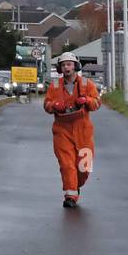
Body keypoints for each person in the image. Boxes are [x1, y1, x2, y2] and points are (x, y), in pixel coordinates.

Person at [42, 52, 99, 208]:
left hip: (84, 131)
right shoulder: (54, 86)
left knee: (84, 167)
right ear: (60, 68)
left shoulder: (87, 84)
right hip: (62, 130)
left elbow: (97, 103)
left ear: (75, 66)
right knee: (67, 164)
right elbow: (46, 105)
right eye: (63, 65)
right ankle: (70, 195)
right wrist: (54, 105)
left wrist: (86, 100)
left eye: (69, 64)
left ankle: (74, 185)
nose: (66, 67)